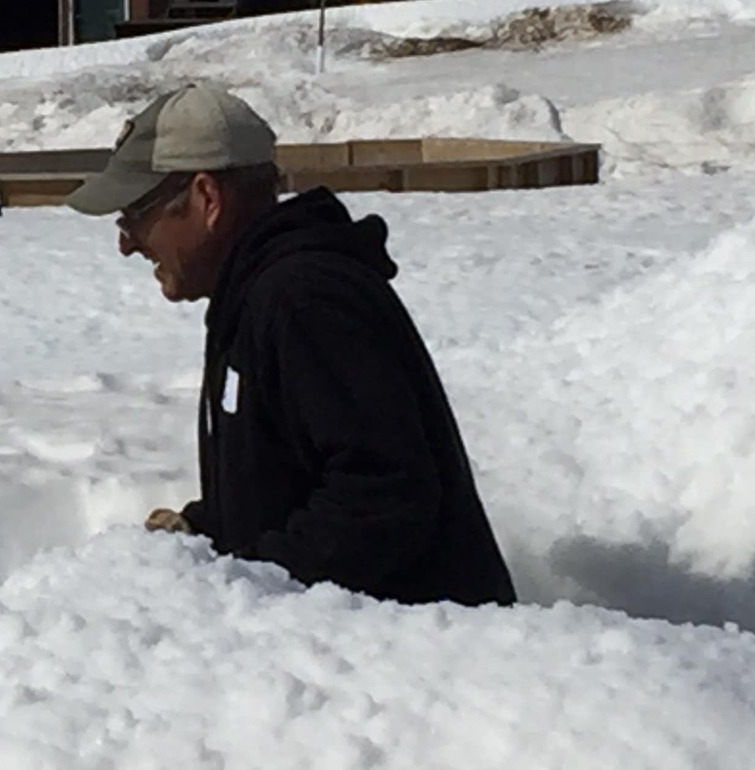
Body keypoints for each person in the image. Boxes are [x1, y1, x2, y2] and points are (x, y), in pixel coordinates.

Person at [65, 84, 516, 608]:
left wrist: (245, 587)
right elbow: (290, 483)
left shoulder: (304, 300)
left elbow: (382, 497)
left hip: (410, 647)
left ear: (207, 199)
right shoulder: (259, 297)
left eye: (134, 214)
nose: (126, 243)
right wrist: (203, 533)